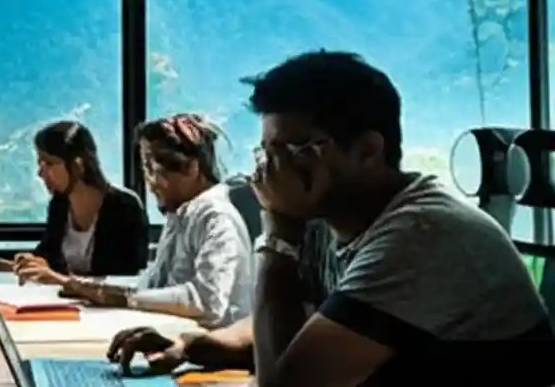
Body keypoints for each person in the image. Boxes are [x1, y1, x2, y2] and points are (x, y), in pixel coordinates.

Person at [244, 50, 554, 387]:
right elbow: (311, 325)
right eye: (268, 152)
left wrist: (278, 236)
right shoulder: (330, 222)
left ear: (368, 150)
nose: (275, 170)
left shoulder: (423, 235)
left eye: (295, 149)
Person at [62, 113, 253, 328]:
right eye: (146, 169)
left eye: (153, 169)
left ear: (192, 167)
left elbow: (208, 301)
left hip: (208, 349)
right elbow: (156, 286)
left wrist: (123, 297)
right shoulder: (180, 215)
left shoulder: (216, 217)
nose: (150, 183)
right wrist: (93, 288)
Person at [102, 218, 339, 374]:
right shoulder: (315, 226)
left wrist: (277, 234)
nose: (262, 172)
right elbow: (275, 323)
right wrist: (187, 344)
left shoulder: (374, 250)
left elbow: (296, 375)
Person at [0, 120, 148, 283]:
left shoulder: (125, 207)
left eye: (49, 163)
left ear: (78, 165)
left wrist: (59, 279)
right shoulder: (60, 206)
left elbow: (126, 284)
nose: (40, 173)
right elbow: (43, 269)